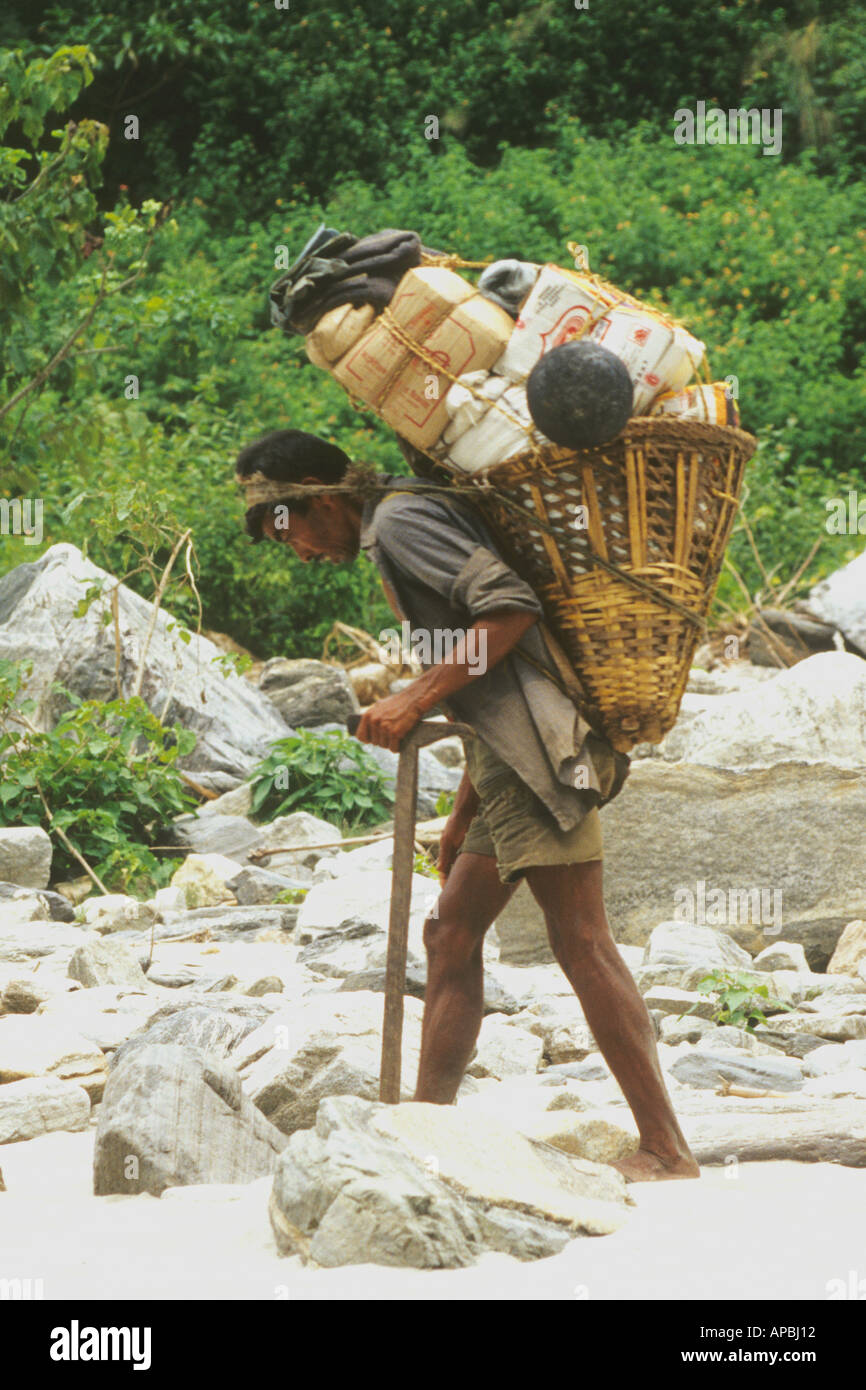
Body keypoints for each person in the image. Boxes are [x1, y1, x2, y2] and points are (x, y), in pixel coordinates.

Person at [236, 427, 700, 1182]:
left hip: (542, 754)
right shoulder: (396, 519)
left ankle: (667, 1150)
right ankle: (427, 1131)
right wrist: (460, 815)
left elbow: (509, 613)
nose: (301, 552)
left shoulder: (399, 523)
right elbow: (487, 687)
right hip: (505, 756)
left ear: (320, 500)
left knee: (581, 939)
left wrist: (412, 696)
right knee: (451, 933)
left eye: (289, 531)